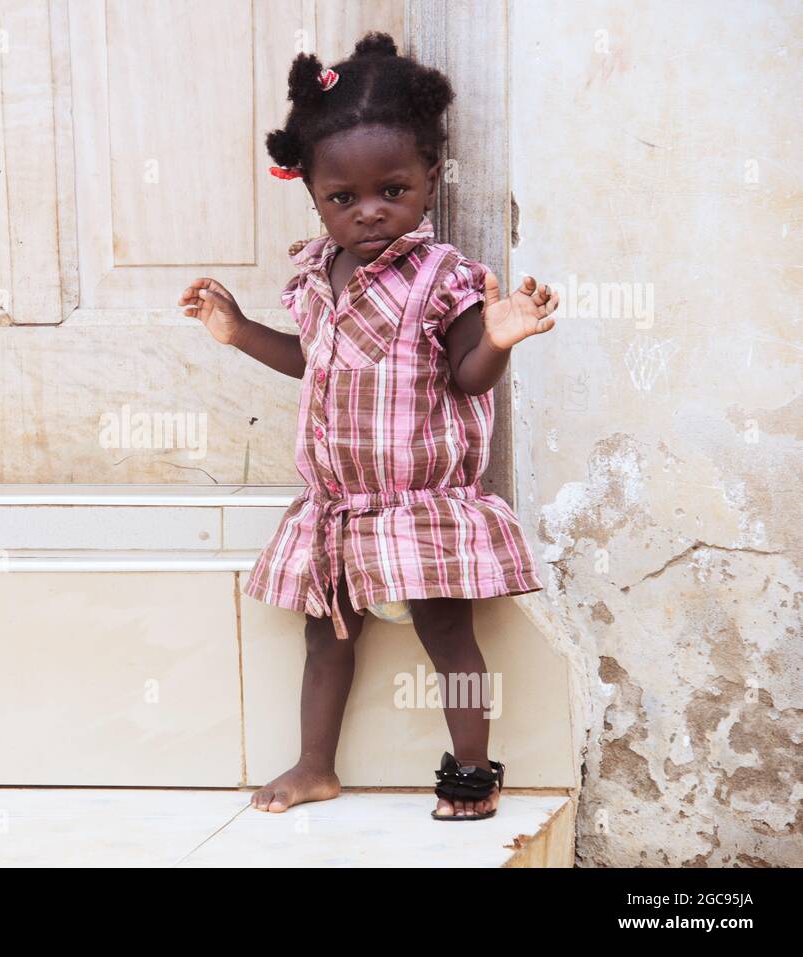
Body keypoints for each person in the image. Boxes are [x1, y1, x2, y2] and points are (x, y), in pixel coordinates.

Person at [177, 32, 560, 821]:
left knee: (446, 636)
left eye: (393, 189)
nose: (370, 212)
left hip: (420, 503)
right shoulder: (317, 274)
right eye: (342, 199)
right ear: (315, 195)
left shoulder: (442, 279)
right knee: (328, 637)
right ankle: (316, 764)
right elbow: (309, 359)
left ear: (428, 178)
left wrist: (498, 336)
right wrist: (238, 329)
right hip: (339, 508)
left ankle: (473, 768)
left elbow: (464, 377)